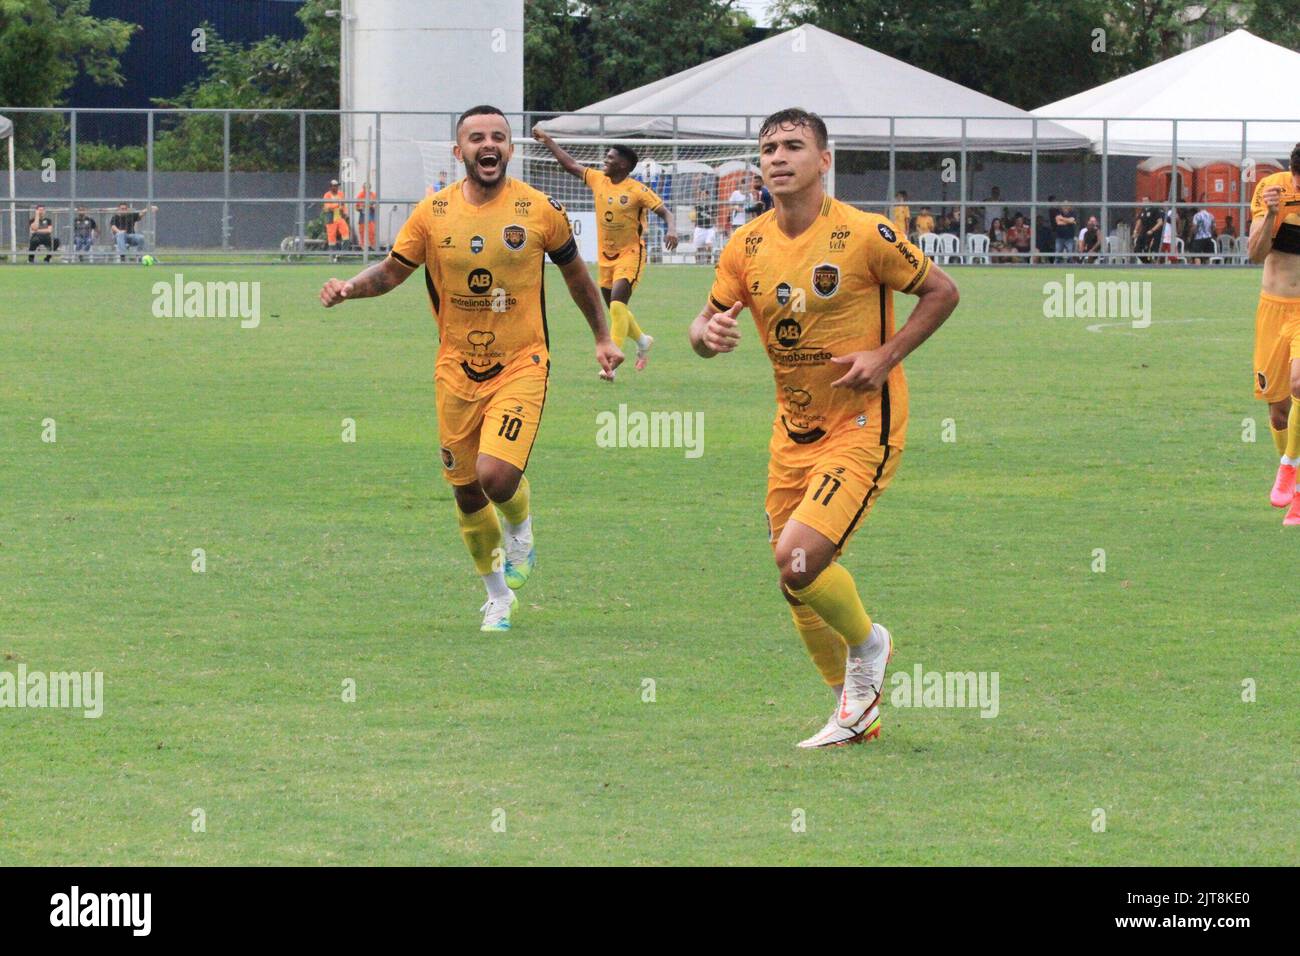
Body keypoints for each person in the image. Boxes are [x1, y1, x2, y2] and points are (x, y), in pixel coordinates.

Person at [688, 108, 959, 748]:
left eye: (793, 146)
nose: (778, 158)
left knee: (799, 560)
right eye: (768, 149)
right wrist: (707, 334)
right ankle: (853, 709)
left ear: (824, 160)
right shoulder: (746, 245)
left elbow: (943, 291)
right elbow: (701, 327)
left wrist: (886, 355)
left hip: (863, 424)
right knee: (795, 583)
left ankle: (871, 644)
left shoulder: (865, 234)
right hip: (794, 432)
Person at [320, 105, 621, 631]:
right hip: (456, 368)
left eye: (499, 137)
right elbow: (391, 271)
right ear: (458, 151)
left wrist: (602, 336)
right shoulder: (432, 213)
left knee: (495, 475)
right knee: (466, 489)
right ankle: (498, 596)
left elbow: (576, 275)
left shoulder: (538, 209)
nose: (489, 145)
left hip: (522, 362)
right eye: (477, 137)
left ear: (510, 149)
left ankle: (521, 527)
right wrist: (350, 288)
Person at [532, 126, 678, 377]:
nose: (605, 161)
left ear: (623, 165)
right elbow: (570, 165)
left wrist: (671, 230)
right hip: (606, 256)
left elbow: (665, 212)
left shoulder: (637, 191)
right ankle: (642, 341)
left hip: (631, 254)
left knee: (618, 304)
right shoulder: (598, 179)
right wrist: (548, 141)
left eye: (610, 158)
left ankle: (611, 363)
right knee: (615, 308)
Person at [1247, 143, 1300, 526]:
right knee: (1278, 410)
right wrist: (1270, 215)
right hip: (1272, 308)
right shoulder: (1272, 189)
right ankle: (1296, 490)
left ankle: (1289, 465)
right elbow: (1254, 254)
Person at [323, 178, 351, 257]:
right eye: (334, 186)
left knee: (346, 232)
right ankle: (333, 255)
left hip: (339, 217)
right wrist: (337, 204)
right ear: (330, 187)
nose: (336, 187)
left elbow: (343, 205)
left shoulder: (341, 194)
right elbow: (328, 206)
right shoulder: (327, 195)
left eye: (337, 186)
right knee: (331, 236)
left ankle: (343, 253)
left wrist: (345, 212)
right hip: (331, 218)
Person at [692, 186, 717, 264]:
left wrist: (716, 226)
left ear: (708, 196)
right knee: (698, 249)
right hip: (699, 228)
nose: (703, 196)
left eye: (705, 195)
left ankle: (708, 263)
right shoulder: (698, 204)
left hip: (709, 229)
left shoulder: (712, 206)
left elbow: (714, 217)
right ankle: (697, 264)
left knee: (709, 246)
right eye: (702, 195)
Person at [1134, 198, 1163, 263]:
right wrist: (1135, 230)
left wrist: (1152, 230)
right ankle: (1147, 263)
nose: (1144, 202)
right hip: (1142, 233)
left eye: (1146, 200)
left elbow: (1160, 222)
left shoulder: (1155, 210)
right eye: (1143, 201)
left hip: (1151, 234)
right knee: (1136, 250)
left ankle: (1149, 263)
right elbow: (1139, 221)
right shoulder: (1143, 210)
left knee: (1147, 250)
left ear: (1150, 201)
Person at [354, 181, 377, 250]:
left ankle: (373, 246)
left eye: (368, 188)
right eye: (365, 188)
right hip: (363, 215)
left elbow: (376, 206)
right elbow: (357, 207)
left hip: (371, 215)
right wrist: (361, 208)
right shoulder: (360, 195)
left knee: (372, 231)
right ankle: (363, 247)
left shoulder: (373, 195)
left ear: (370, 188)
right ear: (363, 188)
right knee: (362, 231)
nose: (366, 189)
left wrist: (372, 206)